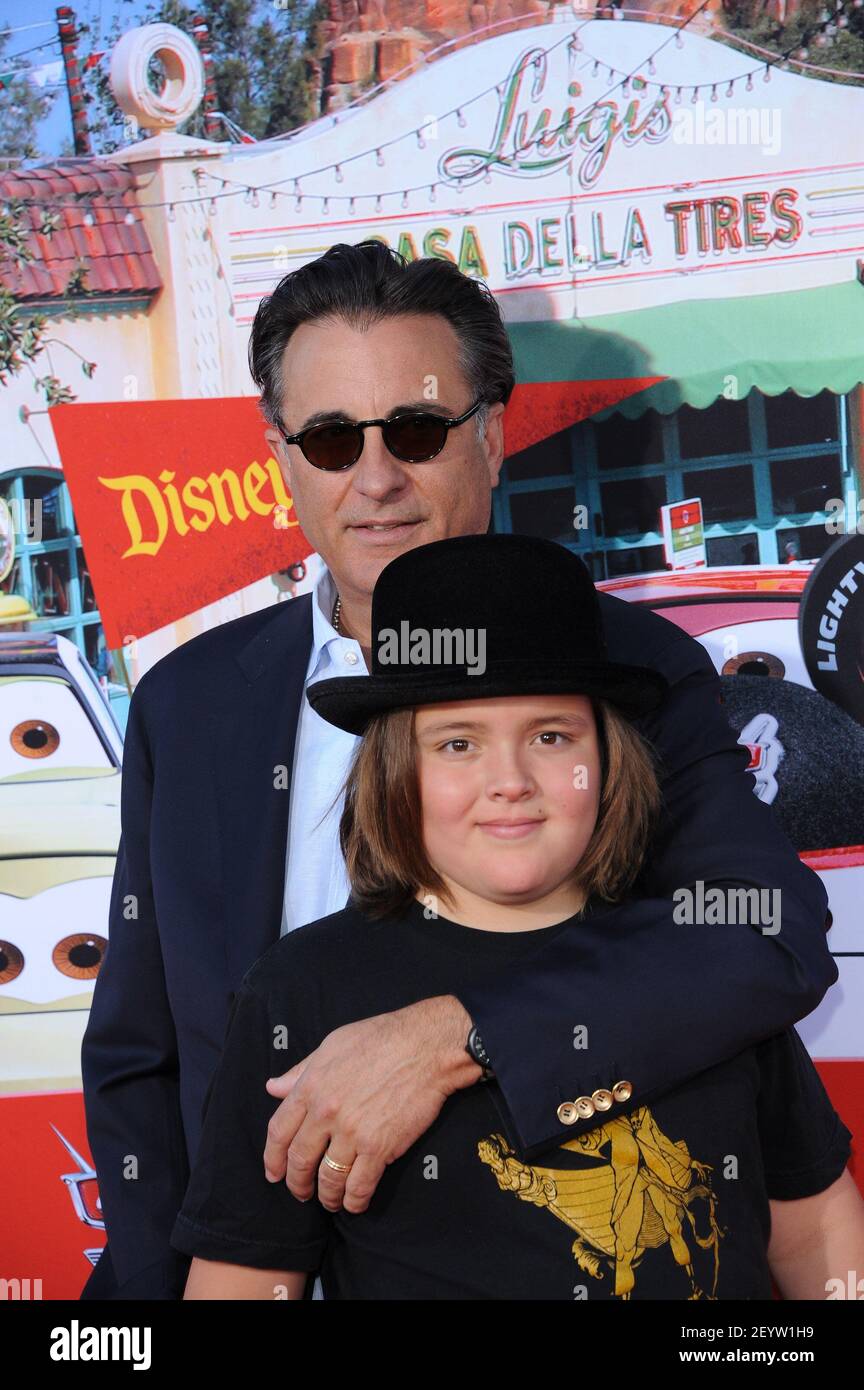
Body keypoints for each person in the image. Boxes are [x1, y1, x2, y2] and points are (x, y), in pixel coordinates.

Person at [80, 240, 837, 1301]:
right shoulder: (189, 702)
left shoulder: (633, 675)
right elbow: (140, 1056)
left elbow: (760, 927)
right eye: (334, 439)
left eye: (420, 431)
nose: (377, 478)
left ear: (489, 438)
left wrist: (457, 1035)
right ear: (281, 458)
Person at [171, 534, 861, 1300]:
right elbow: (242, 1279)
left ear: (607, 756)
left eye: (551, 737)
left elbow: (816, 1233)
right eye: (457, 743)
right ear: (397, 769)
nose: (510, 781)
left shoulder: (709, 970)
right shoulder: (300, 994)